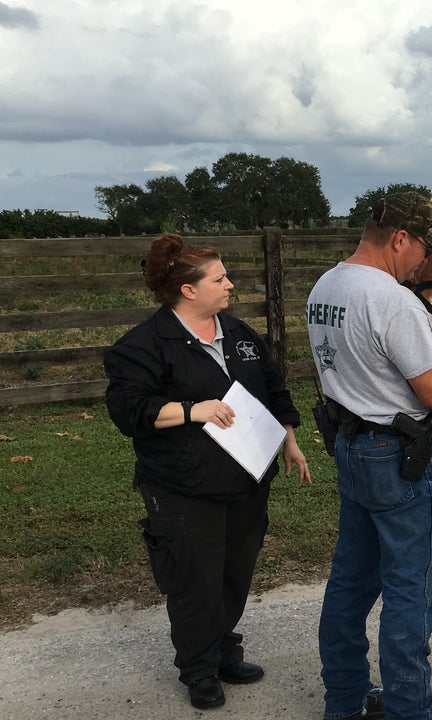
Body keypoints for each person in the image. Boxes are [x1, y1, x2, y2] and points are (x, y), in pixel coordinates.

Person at [104, 233, 311, 709]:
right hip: (182, 488)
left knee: (235, 571)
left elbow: (273, 390)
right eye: (220, 279)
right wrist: (192, 408)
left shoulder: (239, 335)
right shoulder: (142, 346)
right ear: (188, 290)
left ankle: (223, 651)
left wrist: (289, 439)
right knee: (195, 579)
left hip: (245, 480)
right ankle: (198, 669)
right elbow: (129, 411)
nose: (230, 285)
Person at [307, 192, 432, 720]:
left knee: (350, 583)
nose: (423, 263)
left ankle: (345, 699)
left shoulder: (325, 286)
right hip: (399, 454)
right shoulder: (391, 299)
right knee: (413, 592)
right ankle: (409, 710)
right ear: (399, 238)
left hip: (351, 444)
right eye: (423, 250)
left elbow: (366, 357)